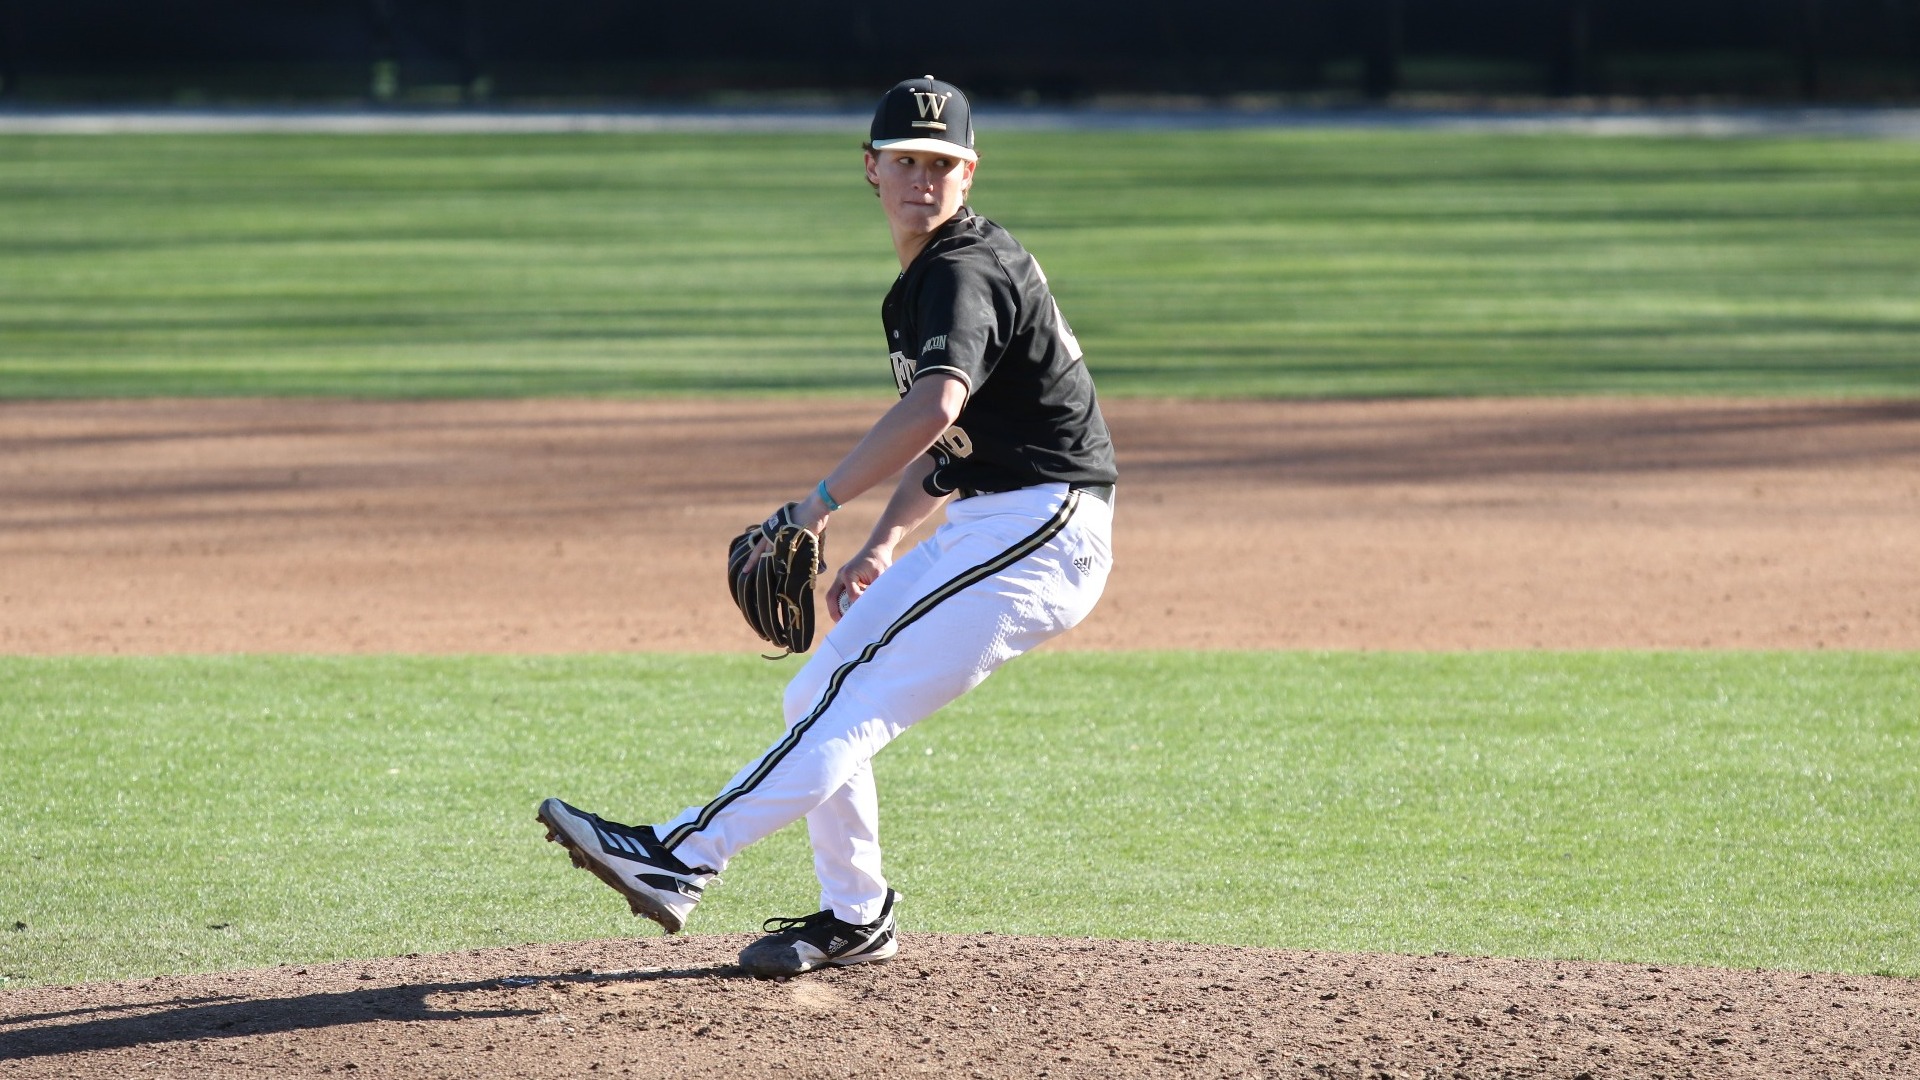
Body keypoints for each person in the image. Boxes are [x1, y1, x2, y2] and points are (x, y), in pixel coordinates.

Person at [537, 76, 1117, 978]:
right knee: (817, 695)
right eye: (905, 160)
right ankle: (858, 914)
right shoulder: (937, 275)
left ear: (969, 173)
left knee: (850, 703)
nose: (921, 177)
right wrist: (885, 542)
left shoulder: (961, 271)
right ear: (871, 169)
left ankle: (680, 856)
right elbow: (958, 443)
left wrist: (816, 507)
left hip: (1041, 528)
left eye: (941, 162)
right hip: (1003, 521)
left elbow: (936, 406)